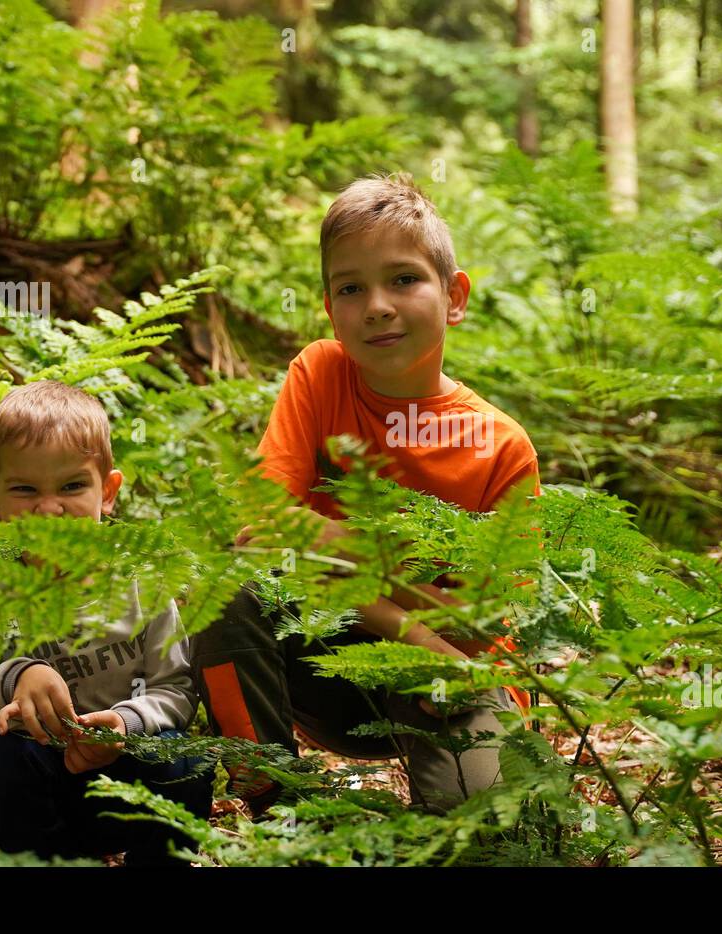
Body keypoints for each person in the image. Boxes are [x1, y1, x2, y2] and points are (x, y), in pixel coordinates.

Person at [190, 173, 540, 815]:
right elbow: (260, 535)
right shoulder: (321, 373)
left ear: (454, 295)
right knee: (227, 590)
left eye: (404, 279)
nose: (376, 305)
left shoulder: (501, 446)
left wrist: (341, 556)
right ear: (331, 309)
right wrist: (412, 613)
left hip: (453, 683)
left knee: (478, 829)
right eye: (351, 288)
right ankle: (276, 809)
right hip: (330, 671)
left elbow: (488, 625)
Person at [0, 380, 212, 864]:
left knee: (189, 761)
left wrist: (126, 724)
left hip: (131, 782)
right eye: (25, 489)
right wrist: (15, 678)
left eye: (72, 486)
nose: (50, 508)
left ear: (108, 492)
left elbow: (176, 689)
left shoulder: (142, 578)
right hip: (38, 786)